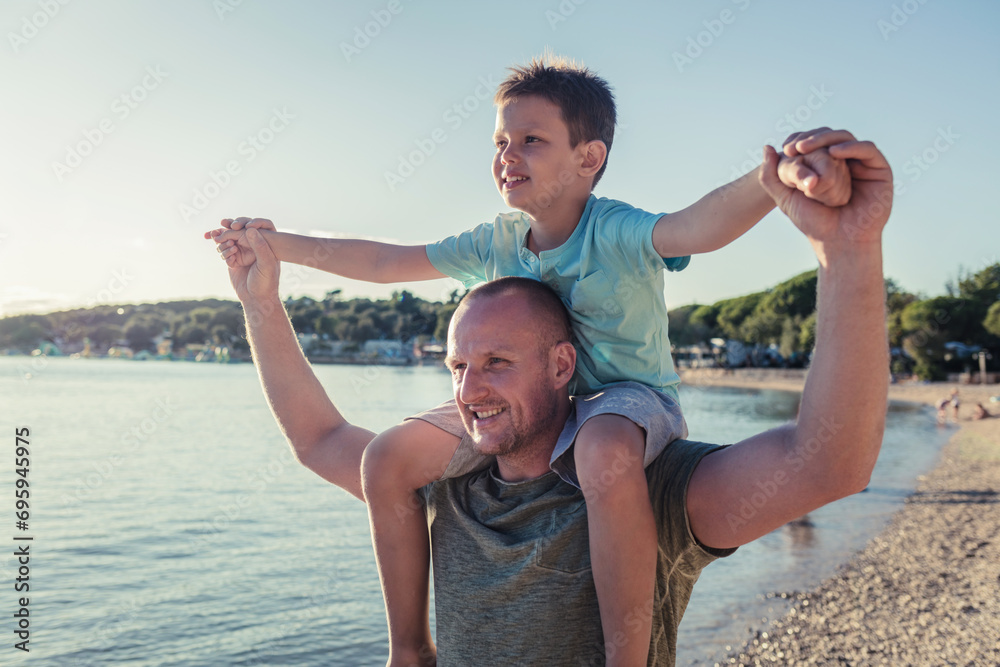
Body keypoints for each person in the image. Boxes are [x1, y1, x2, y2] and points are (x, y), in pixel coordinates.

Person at [208, 57, 850, 665]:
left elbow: (698, 227)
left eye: (531, 140)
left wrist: (775, 179)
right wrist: (276, 247)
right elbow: (382, 262)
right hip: (546, 408)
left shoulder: (616, 230)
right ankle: (409, 648)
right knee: (385, 458)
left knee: (600, 450)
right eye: (499, 142)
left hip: (625, 403)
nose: (507, 155)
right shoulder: (496, 242)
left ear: (588, 158)